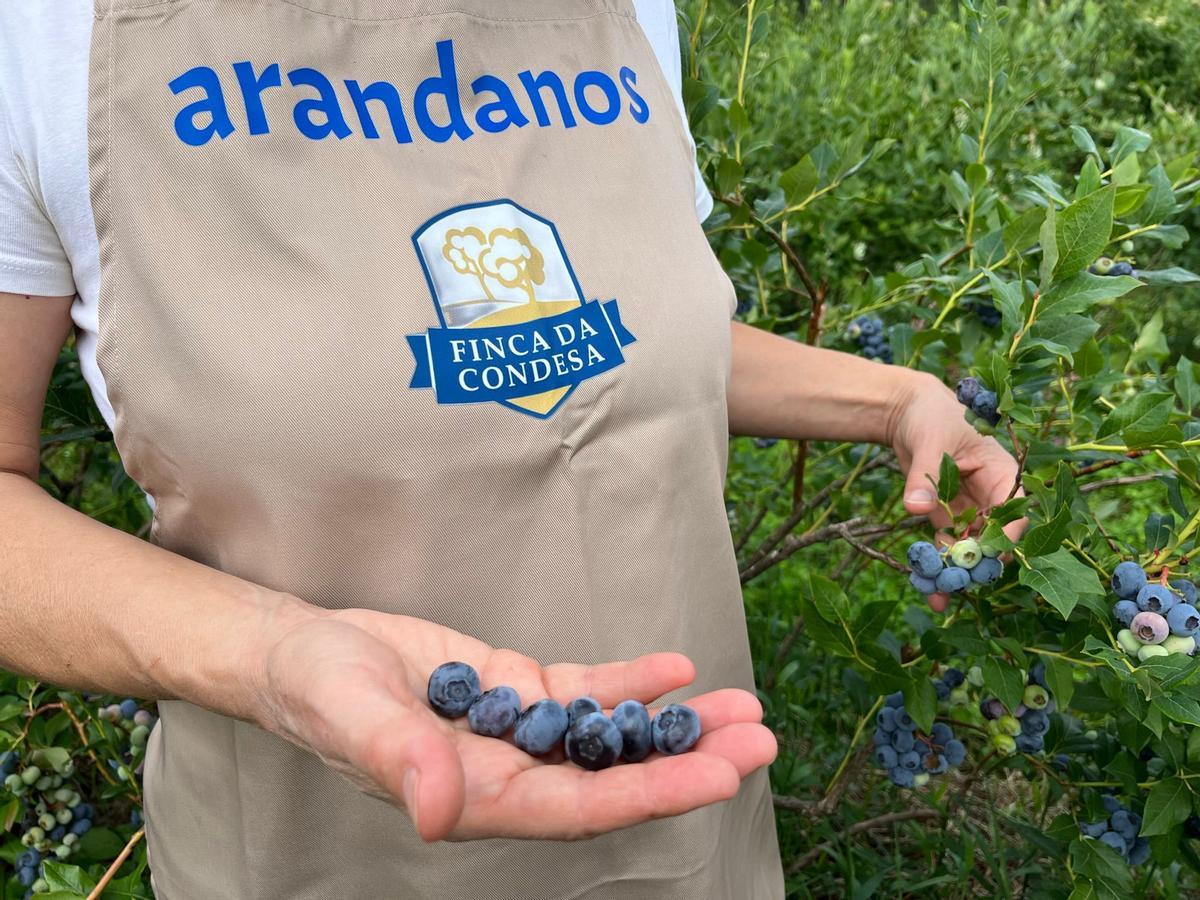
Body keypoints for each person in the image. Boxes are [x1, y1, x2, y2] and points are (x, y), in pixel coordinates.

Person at [0, 1, 1020, 897]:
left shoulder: (629, 13)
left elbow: (619, 335)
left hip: (688, 829)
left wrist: (894, 400)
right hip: (309, 863)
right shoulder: (43, 36)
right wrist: (271, 658)